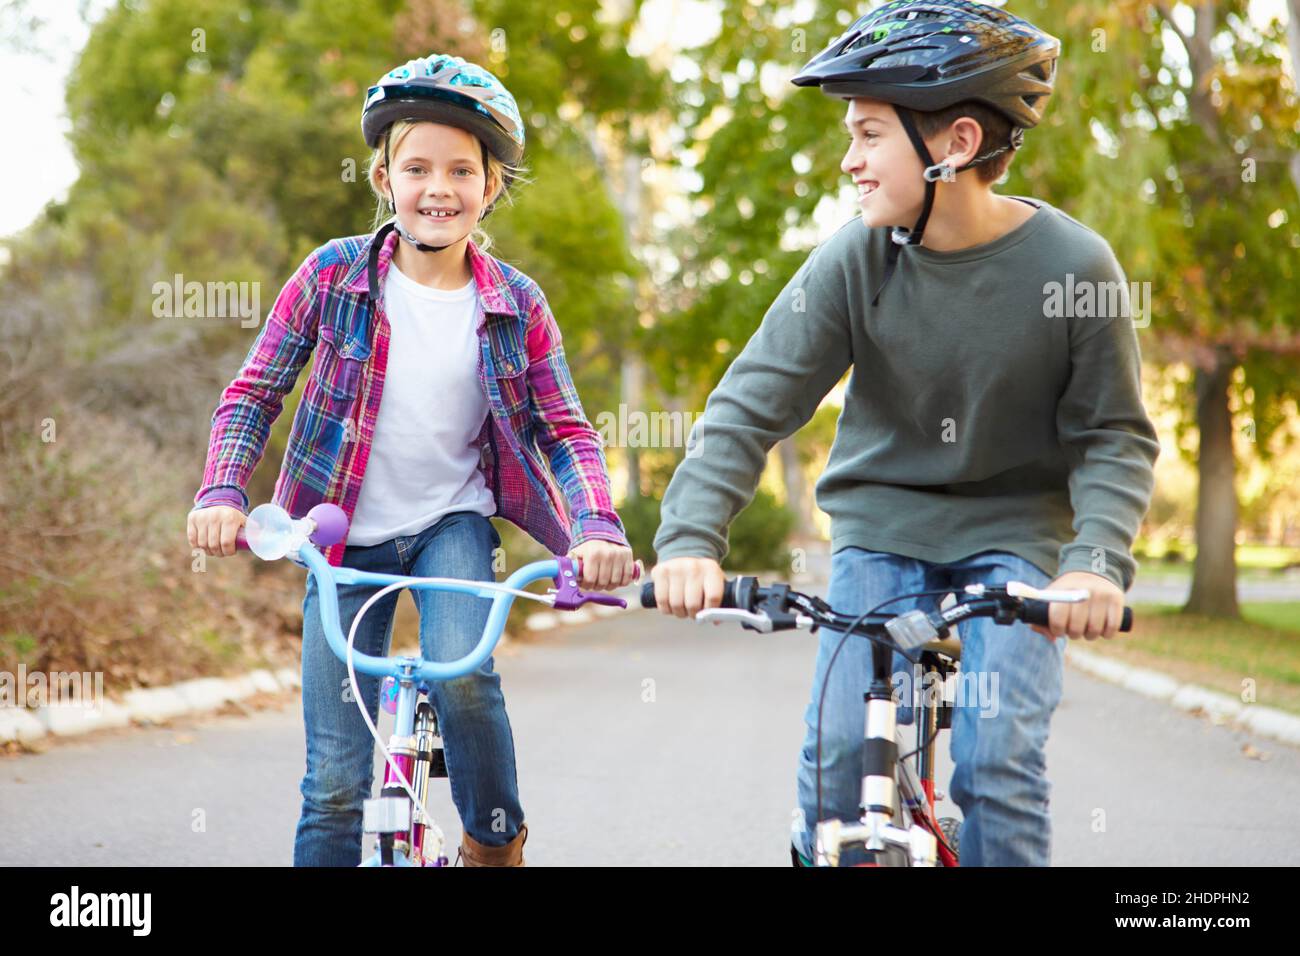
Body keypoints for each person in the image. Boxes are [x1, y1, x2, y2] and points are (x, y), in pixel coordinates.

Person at [648, 2, 1159, 866]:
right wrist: (691, 538)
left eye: (870, 134)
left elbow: (1114, 435)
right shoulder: (857, 257)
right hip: (882, 533)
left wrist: (1095, 562)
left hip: (1020, 542)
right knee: (839, 758)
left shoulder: (1074, 268)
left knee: (999, 762)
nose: (849, 160)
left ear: (954, 144)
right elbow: (749, 404)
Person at [187, 53, 636, 866]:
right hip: (336, 537)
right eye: (418, 166)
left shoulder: (518, 304)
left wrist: (595, 527)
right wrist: (223, 491)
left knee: (461, 672)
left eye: (463, 170)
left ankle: (493, 836)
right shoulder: (331, 276)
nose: (440, 188)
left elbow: (564, 429)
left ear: (490, 186)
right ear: (383, 177)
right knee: (331, 782)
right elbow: (253, 392)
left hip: (449, 527)